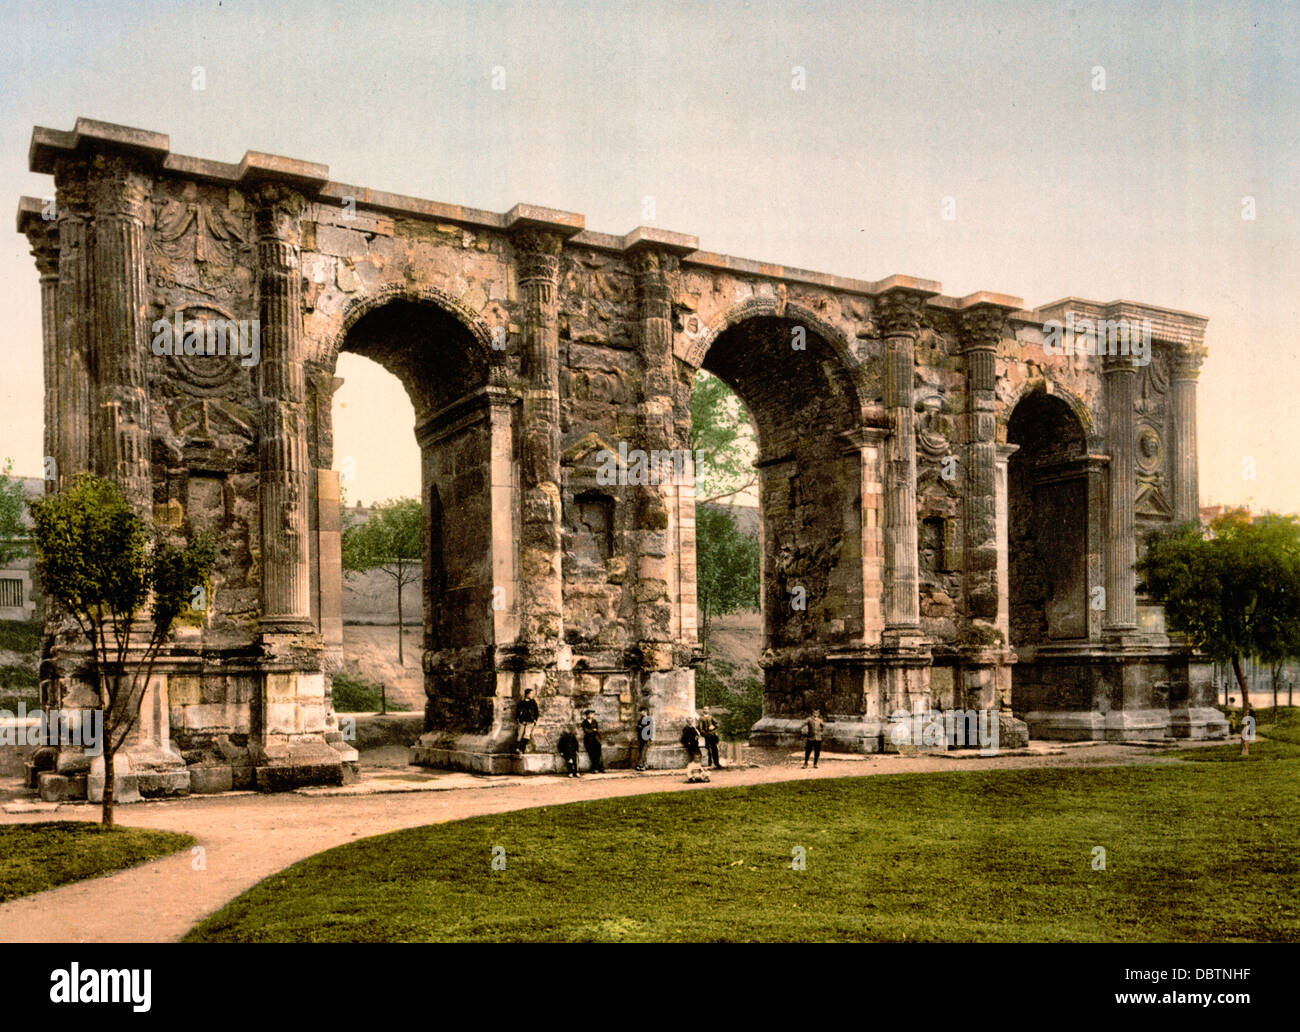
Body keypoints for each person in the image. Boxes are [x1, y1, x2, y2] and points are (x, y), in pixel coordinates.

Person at [514, 687, 539, 754]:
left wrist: (535, 719)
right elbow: (517, 712)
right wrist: (518, 719)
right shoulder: (521, 703)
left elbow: (536, 711)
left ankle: (521, 749)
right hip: (522, 721)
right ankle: (517, 748)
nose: (532, 695)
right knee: (519, 735)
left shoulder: (533, 702)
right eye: (531, 694)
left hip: (530, 721)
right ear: (527, 695)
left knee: (526, 735)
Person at [581, 709, 605, 773]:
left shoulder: (595, 721)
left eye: (592, 714)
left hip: (596, 740)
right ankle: (594, 768)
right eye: (590, 714)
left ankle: (600, 768)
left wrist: (594, 731)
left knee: (598, 754)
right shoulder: (584, 722)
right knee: (592, 755)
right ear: (587, 715)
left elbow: (597, 730)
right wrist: (592, 730)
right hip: (589, 741)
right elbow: (586, 731)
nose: (592, 715)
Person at [635, 706, 654, 771]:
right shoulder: (640, 720)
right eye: (640, 712)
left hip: (647, 738)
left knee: (643, 752)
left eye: (642, 711)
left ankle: (640, 765)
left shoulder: (649, 719)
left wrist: (651, 738)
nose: (641, 713)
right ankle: (644, 765)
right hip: (641, 738)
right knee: (642, 752)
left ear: (645, 711)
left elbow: (651, 729)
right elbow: (637, 728)